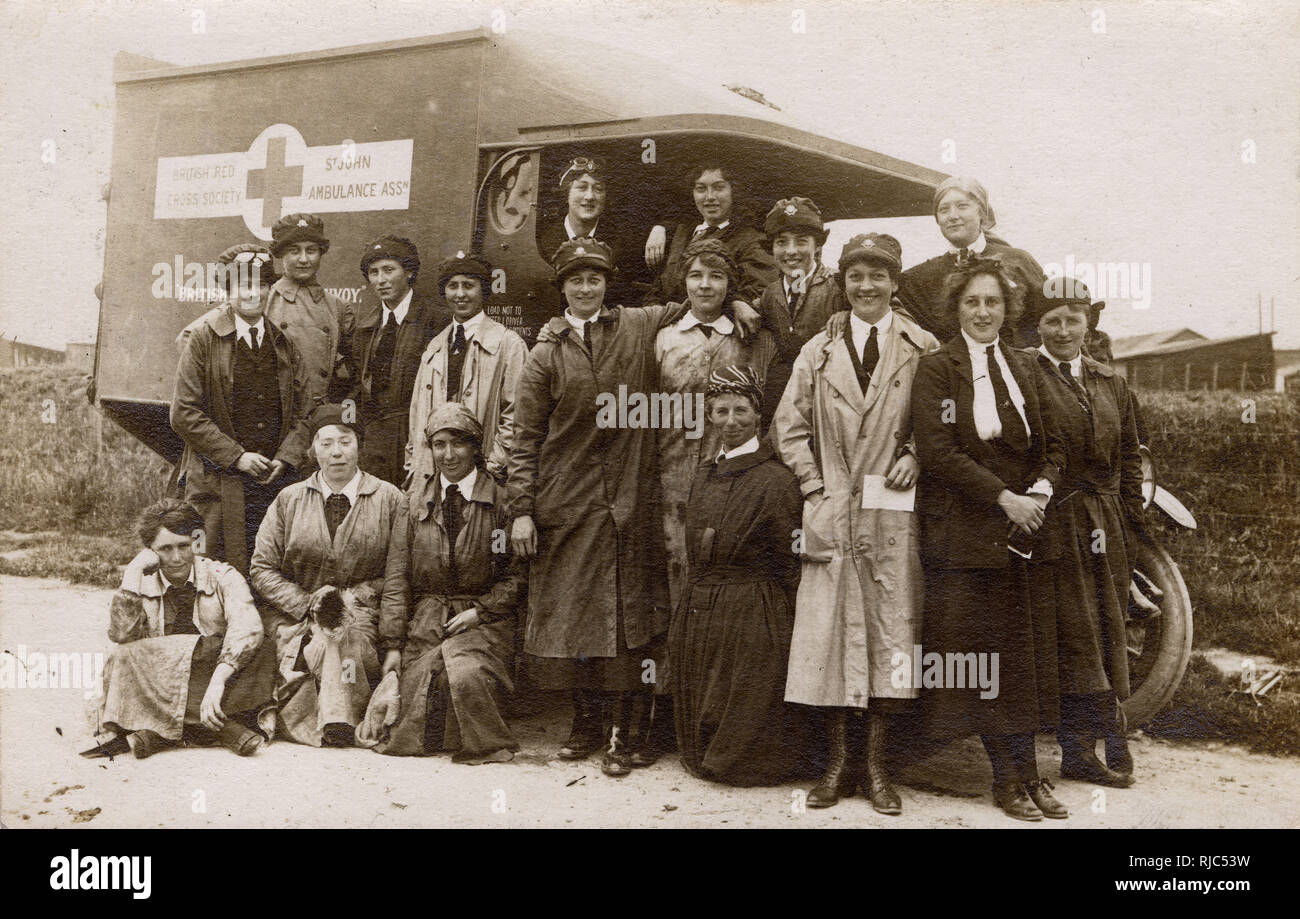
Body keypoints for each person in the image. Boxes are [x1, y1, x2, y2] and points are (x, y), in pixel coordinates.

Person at [772, 233, 940, 813]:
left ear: (895, 282)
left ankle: (877, 768)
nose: (866, 287)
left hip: (893, 510)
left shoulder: (921, 346)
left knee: (892, 632)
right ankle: (837, 764)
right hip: (833, 507)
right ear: (842, 284)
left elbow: (943, 417)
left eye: (878, 276)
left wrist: (915, 452)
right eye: (855, 277)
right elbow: (788, 427)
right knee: (833, 634)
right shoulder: (818, 351)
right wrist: (815, 485)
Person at [508, 237, 687, 777]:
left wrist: (744, 303)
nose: (586, 289)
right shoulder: (546, 352)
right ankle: (583, 725)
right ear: (562, 287)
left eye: (595, 279)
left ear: (608, 284)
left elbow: (695, 300)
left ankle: (623, 733)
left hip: (632, 498)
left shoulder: (636, 324)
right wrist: (521, 508)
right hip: (569, 500)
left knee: (629, 618)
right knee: (576, 618)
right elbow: (525, 436)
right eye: (575, 280)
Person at [910, 256, 1068, 822]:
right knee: (986, 660)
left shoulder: (1025, 367)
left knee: (1023, 658)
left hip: (1027, 532)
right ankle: (1007, 778)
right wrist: (1005, 499)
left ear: (1008, 310)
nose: (983, 311)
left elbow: (1054, 446)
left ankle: (1029, 774)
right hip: (966, 534)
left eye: (993, 302)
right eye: (973, 302)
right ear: (956, 308)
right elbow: (938, 451)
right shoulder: (937, 367)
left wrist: (1042, 493)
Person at [669, 365, 806, 785]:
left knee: (750, 673)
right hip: (705, 598)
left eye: (742, 411)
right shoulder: (704, 474)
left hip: (754, 603)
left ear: (758, 416)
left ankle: (745, 758)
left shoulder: (776, 479)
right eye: (721, 411)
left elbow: (789, 559)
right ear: (709, 416)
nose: (732, 421)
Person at [1032, 279, 1143, 787]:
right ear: (1038, 324)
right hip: (1055, 518)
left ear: (1087, 325)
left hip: (1107, 519)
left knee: (1108, 624)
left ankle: (1107, 731)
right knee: (1073, 632)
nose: (1062, 330)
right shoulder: (1025, 374)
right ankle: (1078, 747)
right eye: (1052, 319)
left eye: (1072, 319)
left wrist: (1131, 526)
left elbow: (1130, 458)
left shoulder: (1110, 382)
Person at [251, 405, 406, 747]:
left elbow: (398, 575)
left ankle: (329, 717)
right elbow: (261, 568)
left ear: (359, 446)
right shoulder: (288, 499)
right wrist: (308, 602)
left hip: (362, 616)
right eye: (326, 443)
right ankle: (337, 718)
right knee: (315, 644)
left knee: (342, 640)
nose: (336, 452)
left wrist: (370, 611)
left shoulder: (390, 499)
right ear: (313, 449)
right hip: (298, 616)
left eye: (345, 442)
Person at [376, 403, 523, 761]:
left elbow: (519, 576)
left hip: (486, 623)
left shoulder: (502, 502)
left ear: (476, 447)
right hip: (429, 618)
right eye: (439, 445)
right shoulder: (413, 503)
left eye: (458, 444)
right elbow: (397, 579)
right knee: (421, 686)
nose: (448, 454)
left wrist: (481, 611)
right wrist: (393, 644)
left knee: (466, 675)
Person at [88, 499, 274, 759]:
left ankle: (159, 734)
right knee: (125, 655)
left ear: (195, 542)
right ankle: (220, 730)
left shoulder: (222, 574)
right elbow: (122, 638)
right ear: (149, 551)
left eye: (184, 546)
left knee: (262, 647)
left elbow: (247, 628)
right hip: (163, 680)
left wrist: (219, 680)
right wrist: (132, 573)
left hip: (215, 673)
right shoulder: (140, 579)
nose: (176, 558)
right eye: (165, 549)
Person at [170, 243, 309, 575]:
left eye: (260, 284)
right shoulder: (204, 338)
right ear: (228, 291)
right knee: (215, 572)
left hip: (273, 481)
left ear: (270, 289)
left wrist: (285, 457)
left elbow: (305, 412)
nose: (253, 293)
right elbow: (184, 412)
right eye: (243, 285)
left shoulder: (283, 343)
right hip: (218, 481)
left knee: (270, 566)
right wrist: (237, 457)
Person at [407, 250, 527, 492]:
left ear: (482, 290)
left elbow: (518, 416)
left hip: (486, 478)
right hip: (434, 479)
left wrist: (493, 466)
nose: (460, 294)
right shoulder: (435, 347)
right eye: (452, 286)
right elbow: (417, 417)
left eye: (468, 285)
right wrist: (415, 468)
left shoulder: (508, 344)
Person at [897, 177, 1049, 346]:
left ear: (981, 213)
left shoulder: (1019, 261)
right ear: (937, 219)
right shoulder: (919, 278)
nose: (953, 216)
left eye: (962, 206)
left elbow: (1051, 314)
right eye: (944, 210)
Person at [350, 235, 449, 486]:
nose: (381, 280)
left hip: (415, 433)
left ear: (409, 272)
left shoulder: (435, 320)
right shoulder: (367, 325)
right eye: (373, 272)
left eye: (389, 270)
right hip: (374, 439)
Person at [756, 197, 846, 431]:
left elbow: (890, 312)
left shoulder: (839, 284)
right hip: (784, 403)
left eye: (801, 242)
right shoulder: (770, 294)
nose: (791, 251)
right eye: (782, 243)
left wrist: (848, 314)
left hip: (830, 403)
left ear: (817, 246)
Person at [642, 161, 778, 309]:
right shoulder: (682, 234)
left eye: (718, 188)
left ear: (734, 192)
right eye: (701, 189)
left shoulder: (752, 240)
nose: (710, 197)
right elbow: (658, 289)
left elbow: (759, 292)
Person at [265, 212, 355, 406]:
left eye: (311, 250)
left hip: (322, 418)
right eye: (294, 251)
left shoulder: (338, 307)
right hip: (279, 414)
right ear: (280, 254)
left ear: (321, 252)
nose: (304, 259)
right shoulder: (265, 302)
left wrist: (341, 418)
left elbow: (353, 375)